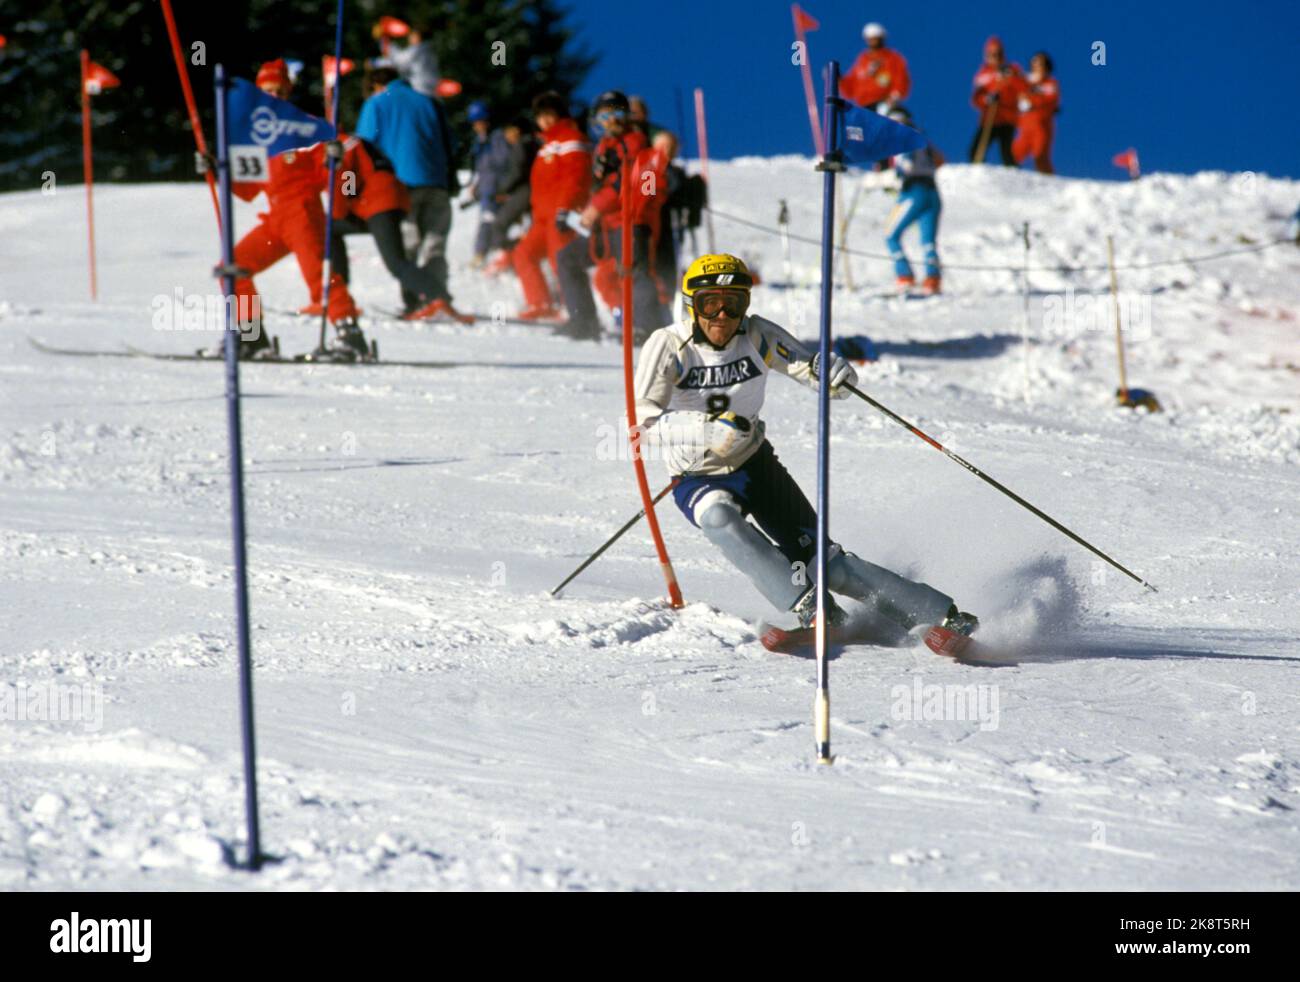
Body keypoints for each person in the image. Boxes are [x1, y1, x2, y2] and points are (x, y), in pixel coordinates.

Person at [633, 253, 979, 639]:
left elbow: (806, 366)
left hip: (755, 465)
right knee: (718, 519)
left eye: (734, 304)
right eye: (709, 303)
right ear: (690, 306)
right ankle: (809, 606)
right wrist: (706, 430)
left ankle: (941, 616)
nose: (722, 316)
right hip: (697, 475)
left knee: (829, 566)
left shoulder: (758, 335)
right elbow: (642, 423)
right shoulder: (667, 347)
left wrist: (832, 375)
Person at [219, 59, 366, 359]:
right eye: (267, 92)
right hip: (275, 219)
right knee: (235, 266)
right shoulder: (257, 136)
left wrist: (333, 159)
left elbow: (337, 161)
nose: (274, 98)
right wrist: (216, 168)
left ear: (288, 94)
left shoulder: (303, 127)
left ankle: (350, 333)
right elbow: (246, 189)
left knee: (319, 276)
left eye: (280, 92)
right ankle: (251, 337)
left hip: (303, 213)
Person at [355, 65, 471, 322]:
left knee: (407, 246)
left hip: (400, 185)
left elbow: (362, 148)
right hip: (437, 183)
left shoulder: (376, 104)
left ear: (375, 85)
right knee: (435, 244)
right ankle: (438, 300)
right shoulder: (430, 103)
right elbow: (452, 144)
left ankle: (418, 301)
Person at [555, 90, 666, 341]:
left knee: (633, 271)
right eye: (605, 115)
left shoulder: (635, 143)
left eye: (618, 113)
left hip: (630, 222)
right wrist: (579, 213)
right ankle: (583, 321)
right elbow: (599, 185)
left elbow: (629, 183)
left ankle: (648, 329)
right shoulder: (604, 147)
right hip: (606, 226)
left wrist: (596, 206)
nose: (612, 120)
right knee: (567, 258)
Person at [325, 135, 450, 320]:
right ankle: (341, 296)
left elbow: (347, 182)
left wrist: (339, 208)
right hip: (390, 198)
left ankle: (438, 298)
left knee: (396, 262)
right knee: (333, 229)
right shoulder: (354, 142)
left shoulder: (340, 146)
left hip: (378, 204)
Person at [511, 91, 591, 321]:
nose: (544, 120)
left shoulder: (571, 138)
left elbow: (575, 178)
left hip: (563, 215)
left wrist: (565, 209)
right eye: (540, 116)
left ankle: (575, 311)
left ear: (560, 115)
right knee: (524, 253)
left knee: (561, 263)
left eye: (549, 114)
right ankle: (540, 303)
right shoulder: (547, 145)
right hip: (542, 219)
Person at [882, 106, 944, 294]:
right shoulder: (922, 139)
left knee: (891, 235)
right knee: (928, 241)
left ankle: (904, 276)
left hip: (913, 191)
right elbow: (940, 160)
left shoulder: (902, 137)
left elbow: (906, 165)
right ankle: (932, 279)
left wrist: (889, 178)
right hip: (932, 192)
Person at [483, 115, 537, 273]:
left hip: (525, 190)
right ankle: (517, 252)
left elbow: (517, 171)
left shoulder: (521, 145)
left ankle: (506, 256)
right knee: (530, 226)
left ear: (517, 131)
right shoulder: (533, 143)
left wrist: (502, 190)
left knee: (499, 223)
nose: (507, 136)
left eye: (508, 132)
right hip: (532, 190)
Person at [464, 100, 511, 266]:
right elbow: (481, 169)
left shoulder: (497, 138)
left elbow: (504, 164)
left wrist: (504, 189)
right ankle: (483, 253)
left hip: (497, 190)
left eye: (480, 121)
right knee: (487, 221)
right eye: (475, 122)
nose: (477, 125)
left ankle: (490, 254)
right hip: (486, 190)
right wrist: (476, 186)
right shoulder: (480, 141)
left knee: (492, 222)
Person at [968, 36, 1025, 165]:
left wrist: (1010, 77)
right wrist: (987, 99)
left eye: (998, 54)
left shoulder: (1013, 69)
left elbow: (1023, 89)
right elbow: (976, 99)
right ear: (986, 55)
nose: (996, 57)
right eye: (992, 54)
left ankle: (1014, 180)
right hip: (989, 119)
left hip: (1007, 119)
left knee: (1007, 153)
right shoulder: (982, 74)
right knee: (975, 151)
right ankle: (979, 176)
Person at [839, 22, 911, 110]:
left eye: (875, 38)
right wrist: (839, 79)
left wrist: (895, 96)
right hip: (864, 106)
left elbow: (901, 80)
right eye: (870, 39)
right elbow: (850, 88)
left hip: (885, 104)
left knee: (893, 118)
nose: (872, 41)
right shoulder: (862, 61)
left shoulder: (892, 58)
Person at [1012, 51, 1060, 174]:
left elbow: (1050, 101)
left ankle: (1050, 185)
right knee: (1013, 155)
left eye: (1041, 64)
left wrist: (1031, 102)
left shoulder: (1050, 83)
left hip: (1042, 126)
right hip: (1025, 126)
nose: (1037, 66)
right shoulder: (1025, 81)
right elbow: (1015, 92)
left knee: (1040, 157)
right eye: (1035, 63)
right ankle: (1008, 183)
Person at [376, 21, 441, 97]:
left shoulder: (418, 50)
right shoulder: (427, 49)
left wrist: (375, 62)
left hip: (421, 91)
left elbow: (397, 62)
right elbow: (399, 57)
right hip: (431, 91)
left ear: (418, 36)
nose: (409, 37)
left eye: (411, 35)